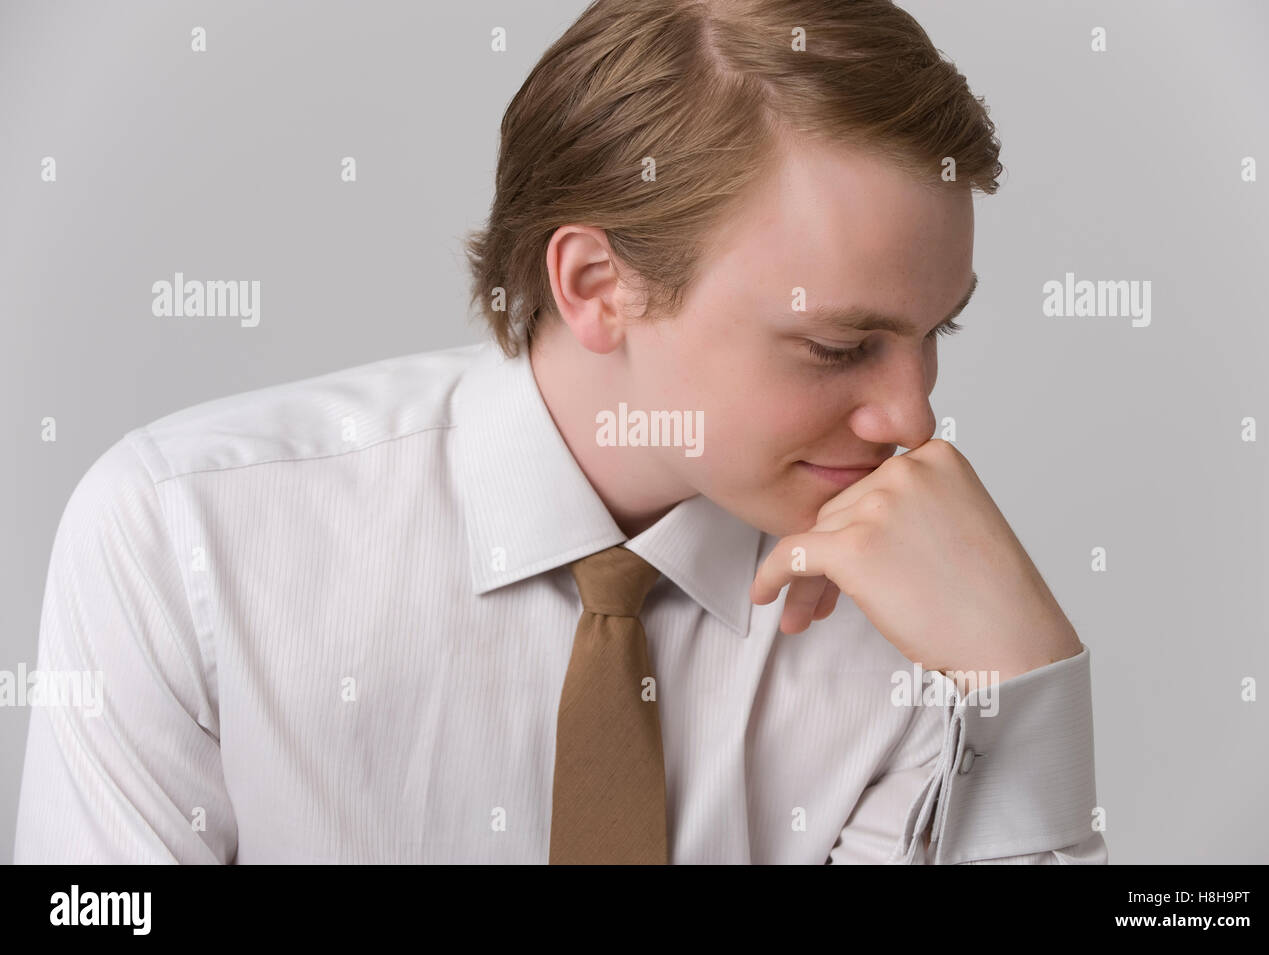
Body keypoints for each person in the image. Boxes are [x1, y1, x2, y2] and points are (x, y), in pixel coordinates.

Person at [14, 0, 1104, 864]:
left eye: (936, 332)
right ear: (596, 285)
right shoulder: (185, 540)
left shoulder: (919, 611)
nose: (911, 420)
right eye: (837, 346)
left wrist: (1023, 688)